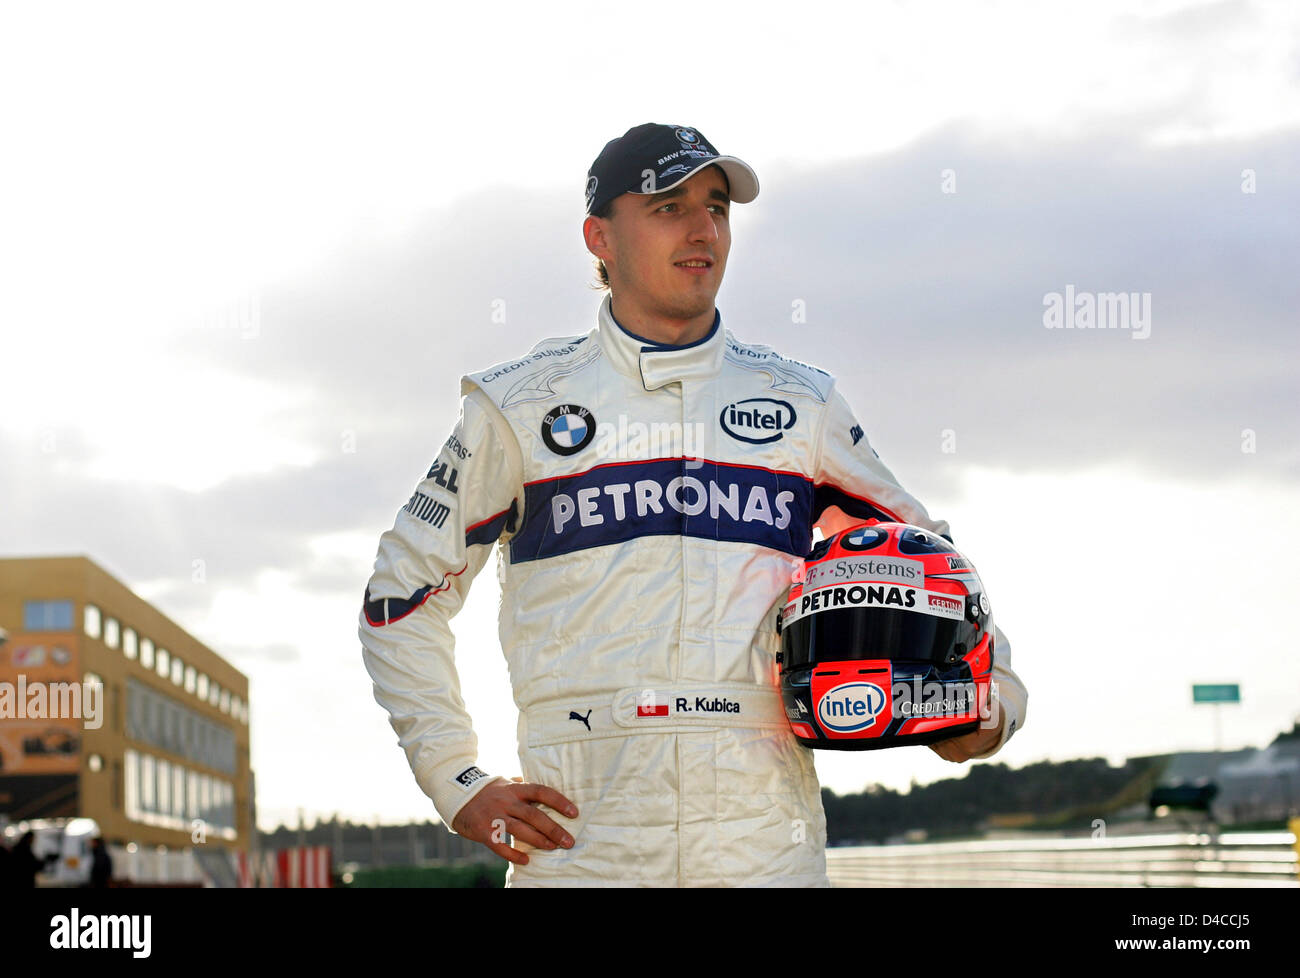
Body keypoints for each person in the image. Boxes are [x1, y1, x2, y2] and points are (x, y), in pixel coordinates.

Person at [359, 122, 1028, 887]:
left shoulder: (799, 403)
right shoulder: (517, 406)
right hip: (581, 853)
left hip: (764, 852)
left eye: (716, 206)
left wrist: (990, 701)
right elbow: (400, 592)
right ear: (598, 237)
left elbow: (930, 559)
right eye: (668, 206)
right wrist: (457, 783)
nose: (703, 227)